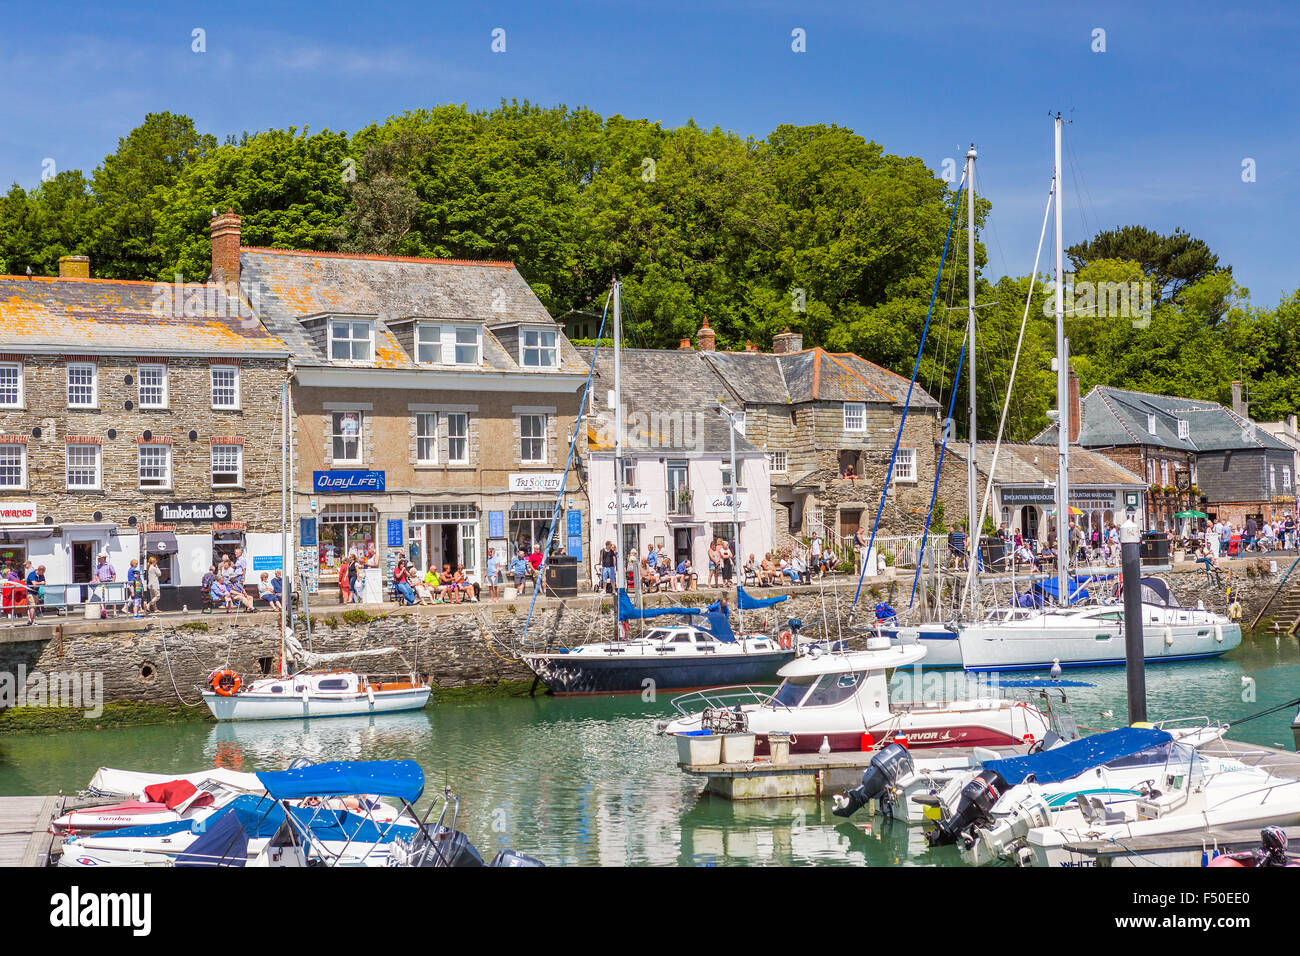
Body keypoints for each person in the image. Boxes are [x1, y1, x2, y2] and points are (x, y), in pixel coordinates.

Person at [94, 550, 118, 616]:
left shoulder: (109, 565)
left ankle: (115, 612)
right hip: (102, 583)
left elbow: (114, 574)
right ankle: (104, 613)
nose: (98, 559)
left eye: (99, 558)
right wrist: (98, 581)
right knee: (103, 597)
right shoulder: (98, 566)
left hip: (109, 582)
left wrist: (113, 582)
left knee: (112, 597)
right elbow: (96, 575)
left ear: (103, 558)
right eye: (98, 558)